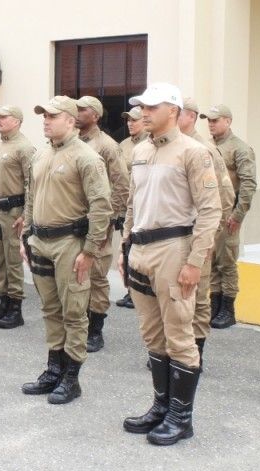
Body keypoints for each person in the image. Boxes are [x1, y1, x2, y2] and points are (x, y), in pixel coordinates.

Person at [119, 82, 221, 446]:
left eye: (152, 106)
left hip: (174, 248)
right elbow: (134, 201)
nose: (144, 112)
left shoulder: (193, 153)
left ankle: (181, 417)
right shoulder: (141, 150)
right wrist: (125, 245)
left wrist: (195, 261)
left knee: (179, 335)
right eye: (142, 106)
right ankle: (160, 407)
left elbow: (211, 210)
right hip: (142, 250)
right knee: (152, 333)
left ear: (174, 111)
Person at [20, 96, 111, 404]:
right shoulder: (41, 154)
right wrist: (27, 236)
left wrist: (90, 251)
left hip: (70, 244)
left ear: (71, 121)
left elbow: (101, 207)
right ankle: (53, 369)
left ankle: (71, 377)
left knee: (73, 312)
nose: (45, 120)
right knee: (50, 309)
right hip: (41, 242)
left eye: (52, 116)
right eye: (43, 115)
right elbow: (31, 196)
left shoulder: (86, 157)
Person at [178, 98, 235, 367]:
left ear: (188, 116)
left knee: (198, 299)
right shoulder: (166, 148)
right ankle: (175, 350)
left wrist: (210, 237)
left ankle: (195, 353)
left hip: (196, 236)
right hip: (170, 239)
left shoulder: (204, 150)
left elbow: (224, 196)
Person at [75, 96, 129, 352]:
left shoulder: (106, 145)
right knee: (77, 274)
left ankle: (95, 329)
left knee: (96, 275)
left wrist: (110, 218)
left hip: (98, 220)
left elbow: (121, 184)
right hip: (74, 220)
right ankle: (79, 323)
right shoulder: (73, 142)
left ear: (95, 115)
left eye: (82, 109)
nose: (77, 112)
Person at [201, 103, 256, 329]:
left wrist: (238, 214)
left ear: (228, 121)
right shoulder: (204, 146)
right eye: (209, 121)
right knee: (212, 260)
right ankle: (215, 304)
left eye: (215, 120)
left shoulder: (239, 148)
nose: (211, 124)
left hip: (228, 214)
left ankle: (228, 308)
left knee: (227, 262)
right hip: (209, 213)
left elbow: (248, 183)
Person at [0, 105, 35, 330]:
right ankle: (3, 303)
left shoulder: (24, 148)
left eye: (3, 117)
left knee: (13, 260)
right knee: (0, 259)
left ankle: (15, 308)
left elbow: (31, 184)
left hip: (13, 212)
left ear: (17, 120)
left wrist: (26, 215)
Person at [115, 106, 149, 309]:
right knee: (127, 248)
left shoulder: (149, 144)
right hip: (127, 206)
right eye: (127, 120)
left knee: (141, 251)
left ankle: (140, 290)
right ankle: (130, 290)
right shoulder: (124, 144)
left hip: (143, 205)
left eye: (134, 120)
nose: (129, 123)